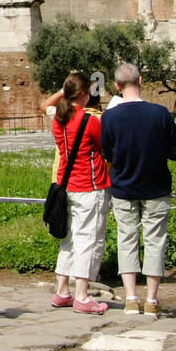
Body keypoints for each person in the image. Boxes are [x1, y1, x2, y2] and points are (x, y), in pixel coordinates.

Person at [99, 62, 176, 316]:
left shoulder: (109, 117)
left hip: (123, 186)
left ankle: (131, 298)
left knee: (126, 239)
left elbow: (106, 153)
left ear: (116, 86)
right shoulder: (161, 113)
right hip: (156, 186)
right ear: (141, 81)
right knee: (155, 240)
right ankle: (152, 299)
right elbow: (174, 153)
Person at [41, 73, 111, 314]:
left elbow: (46, 105)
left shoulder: (57, 120)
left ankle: (62, 291)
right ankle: (82, 296)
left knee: (69, 239)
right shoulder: (90, 121)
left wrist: (64, 90)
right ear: (83, 95)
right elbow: (105, 149)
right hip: (90, 185)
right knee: (87, 240)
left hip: (66, 185)